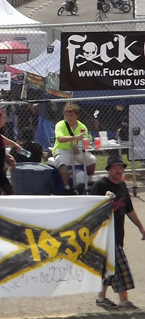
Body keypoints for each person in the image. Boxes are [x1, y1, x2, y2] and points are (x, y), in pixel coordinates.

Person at [92, 155, 145, 311]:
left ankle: (101, 298)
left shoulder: (122, 185)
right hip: (105, 234)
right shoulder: (100, 185)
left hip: (118, 233)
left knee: (110, 268)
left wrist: (141, 227)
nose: (118, 170)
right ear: (109, 169)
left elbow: (129, 209)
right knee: (121, 267)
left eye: (120, 167)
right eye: (115, 168)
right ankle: (124, 300)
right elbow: (91, 207)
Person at [53, 104, 94, 194]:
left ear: (77, 116)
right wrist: (75, 137)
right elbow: (60, 139)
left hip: (77, 150)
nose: (69, 118)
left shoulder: (82, 127)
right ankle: (67, 188)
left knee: (92, 160)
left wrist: (78, 147)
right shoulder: (60, 124)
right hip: (62, 149)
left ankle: (89, 182)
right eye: (67, 115)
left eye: (71, 115)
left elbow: (85, 141)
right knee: (62, 165)